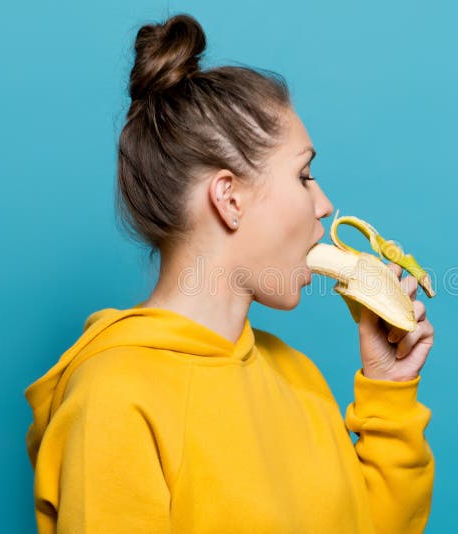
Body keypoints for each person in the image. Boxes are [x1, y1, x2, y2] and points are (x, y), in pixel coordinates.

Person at [24, 12, 436, 534]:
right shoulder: (114, 400)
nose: (325, 205)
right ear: (230, 198)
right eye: (304, 176)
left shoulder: (297, 376)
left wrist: (388, 393)